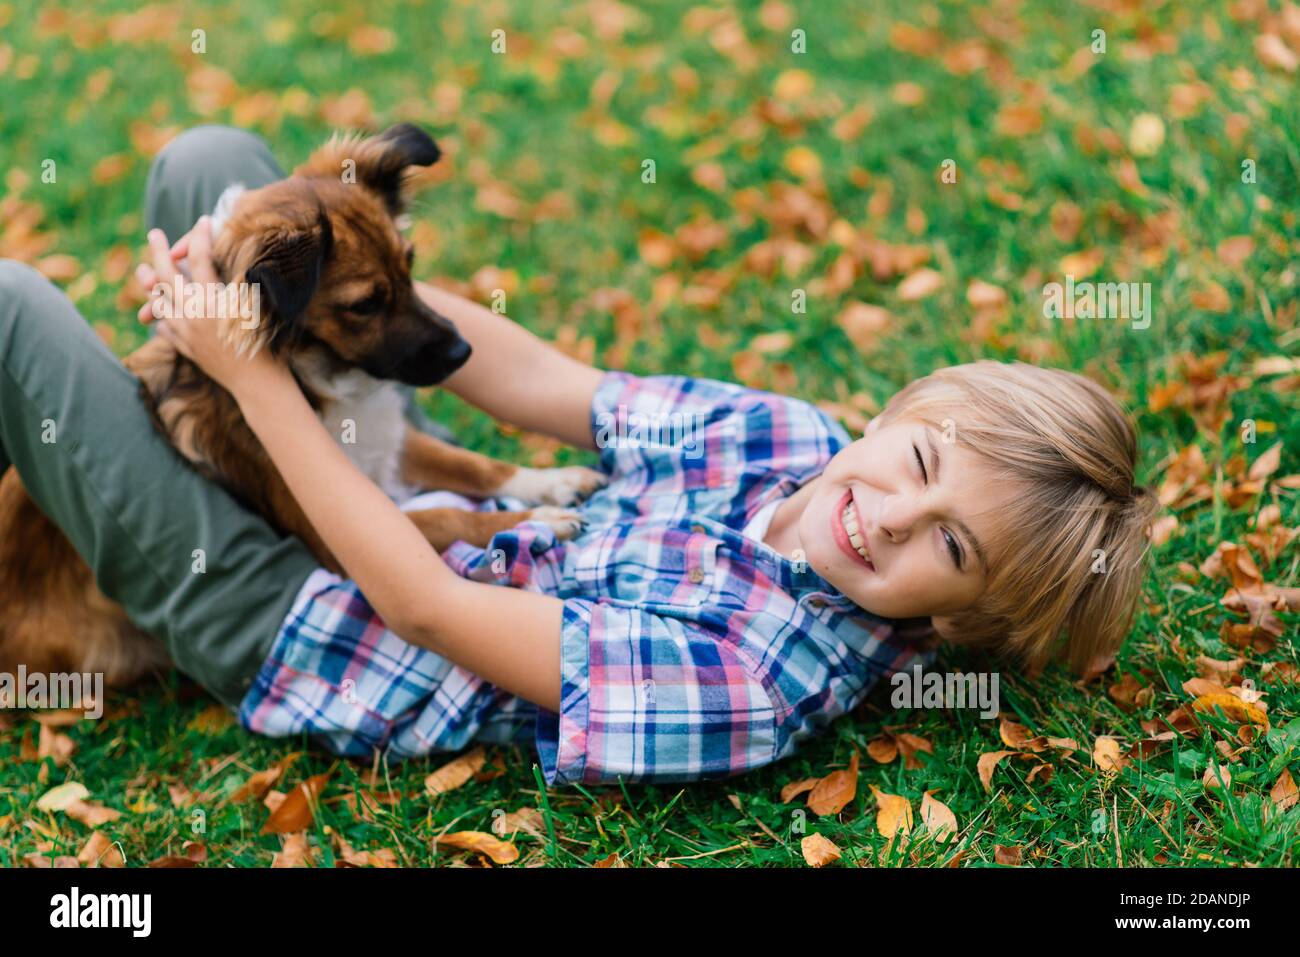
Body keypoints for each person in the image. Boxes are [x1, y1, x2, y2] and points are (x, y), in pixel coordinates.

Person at [0, 126, 1155, 785]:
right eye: (918, 464)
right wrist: (288, 274)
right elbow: (547, 386)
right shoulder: (789, 441)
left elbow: (423, 612)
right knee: (214, 164)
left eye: (948, 546)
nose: (891, 515)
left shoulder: (757, 681)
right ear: (901, 411)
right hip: (359, 508)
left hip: (298, 620)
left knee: (14, 310)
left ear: (950, 623)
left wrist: (250, 368)